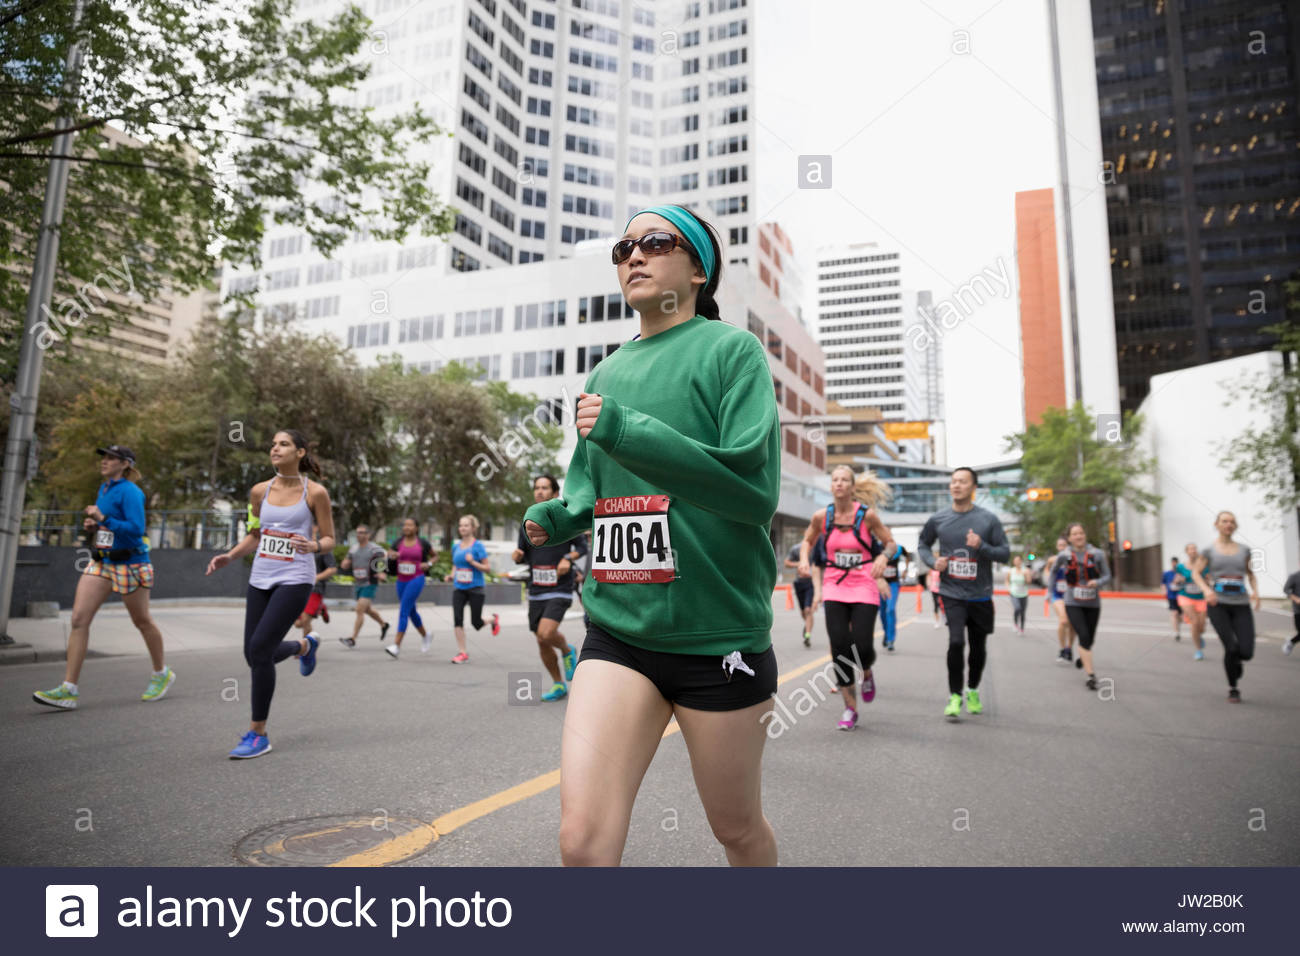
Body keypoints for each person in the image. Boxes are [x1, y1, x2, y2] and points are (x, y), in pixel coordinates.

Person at [523, 204, 780, 866]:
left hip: (717, 638)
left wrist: (626, 430)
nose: (634, 255)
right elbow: (588, 487)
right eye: (623, 246)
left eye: (656, 242)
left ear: (697, 269)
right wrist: (556, 517)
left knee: (737, 830)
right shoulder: (606, 374)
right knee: (581, 842)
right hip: (618, 632)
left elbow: (751, 491)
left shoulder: (732, 351)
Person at [205, 430, 334, 758]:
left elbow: (331, 538)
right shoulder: (259, 491)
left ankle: (257, 733)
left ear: (300, 452)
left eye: (284, 444)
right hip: (261, 576)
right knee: (253, 655)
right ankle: (304, 646)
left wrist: (314, 545)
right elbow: (256, 535)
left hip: (295, 578)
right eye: (273, 444)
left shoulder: (315, 493)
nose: (275, 448)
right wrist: (230, 556)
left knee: (260, 649)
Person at [34, 445, 174, 710]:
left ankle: (161, 672)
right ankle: (68, 689)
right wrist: (95, 525)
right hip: (102, 561)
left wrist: (104, 518)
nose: (105, 462)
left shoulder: (131, 492)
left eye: (111, 458)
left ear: (125, 464)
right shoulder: (105, 488)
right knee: (78, 619)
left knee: (142, 621)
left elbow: (135, 530)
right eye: (104, 458)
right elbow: (108, 525)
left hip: (130, 563)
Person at [800, 466, 894, 730]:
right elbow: (807, 541)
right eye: (835, 480)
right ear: (830, 486)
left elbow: (890, 543)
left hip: (864, 584)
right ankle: (850, 709)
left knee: (862, 646)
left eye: (844, 480)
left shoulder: (867, 517)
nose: (839, 484)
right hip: (834, 586)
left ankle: (867, 671)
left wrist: (884, 557)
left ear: (852, 487)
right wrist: (805, 561)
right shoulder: (822, 517)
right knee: (840, 647)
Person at [917, 466, 1010, 720]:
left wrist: (982, 546)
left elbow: (1005, 553)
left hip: (980, 594)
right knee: (956, 641)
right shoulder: (939, 519)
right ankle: (955, 695)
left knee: (978, 647)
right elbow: (923, 543)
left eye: (962, 481)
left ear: (973, 488)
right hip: (951, 592)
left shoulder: (987, 520)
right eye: (953, 481)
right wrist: (932, 561)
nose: (956, 485)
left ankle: (972, 690)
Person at [512, 476, 586, 700]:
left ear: (555, 493)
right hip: (536, 589)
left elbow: (581, 547)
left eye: (545, 488)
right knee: (541, 639)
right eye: (536, 488)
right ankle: (558, 684)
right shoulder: (528, 522)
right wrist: (517, 555)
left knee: (547, 633)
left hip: (560, 587)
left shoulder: (563, 517)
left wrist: (567, 558)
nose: (539, 492)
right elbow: (522, 553)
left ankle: (566, 650)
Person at [1192, 511, 1261, 702]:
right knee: (1230, 647)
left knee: (1246, 651)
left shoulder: (1244, 549)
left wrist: (1255, 592)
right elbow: (1196, 573)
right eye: (1224, 521)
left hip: (1241, 604)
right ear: (1217, 524)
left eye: (1232, 521)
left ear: (1235, 526)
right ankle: (1233, 687)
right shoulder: (1208, 551)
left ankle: (1238, 661)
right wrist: (1207, 590)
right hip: (1218, 604)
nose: (1228, 524)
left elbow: (1250, 574)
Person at [1055, 523, 1111, 691]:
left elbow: (1108, 575)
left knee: (1089, 639)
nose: (1079, 536)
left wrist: (1098, 582)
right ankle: (1091, 675)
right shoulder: (1064, 555)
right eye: (1075, 534)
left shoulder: (1097, 554)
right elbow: (1053, 572)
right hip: (1073, 602)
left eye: (1081, 533)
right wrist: (1050, 591)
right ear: (1070, 538)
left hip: (1093, 602)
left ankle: (1082, 657)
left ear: (1084, 535)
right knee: (1084, 635)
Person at [446, 514, 499, 663]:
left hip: (475, 587)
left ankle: (493, 619)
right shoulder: (456, 546)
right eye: (460, 525)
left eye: (466, 525)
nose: (462, 528)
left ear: (473, 528)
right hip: (459, 588)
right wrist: (451, 575)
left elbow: (487, 568)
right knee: (457, 619)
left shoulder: (478, 546)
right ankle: (462, 652)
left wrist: (473, 562)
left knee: (476, 623)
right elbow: (456, 564)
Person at [383, 518, 434, 659]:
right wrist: (392, 555)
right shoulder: (398, 542)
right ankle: (426, 635)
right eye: (405, 525)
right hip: (401, 580)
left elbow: (435, 557)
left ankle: (396, 646)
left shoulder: (422, 543)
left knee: (404, 610)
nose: (406, 527)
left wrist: (428, 563)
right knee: (411, 611)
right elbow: (389, 553)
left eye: (410, 525)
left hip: (416, 578)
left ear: (416, 528)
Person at [339, 524, 390, 647]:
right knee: (367, 610)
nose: (359, 535)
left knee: (359, 609)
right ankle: (384, 625)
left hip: (370, 582)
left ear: (368, 534)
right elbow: (347, 560)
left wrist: (382, 571)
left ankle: (352, 639)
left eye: (362, 532)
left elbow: (384, 555)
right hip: (358, 583)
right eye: (357, 532)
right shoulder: (354, 548)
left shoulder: (374, 548)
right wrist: (345, 563)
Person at [293, 524, 336, 647]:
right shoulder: (297, 543)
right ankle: (321, 609)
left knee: (305, 619)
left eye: (310, 524)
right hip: (298, 587)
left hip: (315, 589)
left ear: (317, 527)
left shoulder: (322, 546)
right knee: (298, 624)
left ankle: (304, 648)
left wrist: (316, 577)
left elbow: (332, 569)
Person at [1044, 535, 1076, 664]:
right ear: (1057, 547)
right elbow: (1047, 572)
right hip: (1057, 595)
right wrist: (1048, 585)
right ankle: (1062, 649)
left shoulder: (1073, 558)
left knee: (1072, 624)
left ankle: (1069, 648)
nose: (1062, 547)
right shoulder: (1053, 560)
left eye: (1064, 545)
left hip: (1072, 595)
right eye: (1060, 545)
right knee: (1063, 620)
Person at [1175, 544, 1208, 662]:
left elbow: (1209, 580)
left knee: (1202, 625)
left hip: (1201, 598)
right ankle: (1198, 650)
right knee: (1194, 622)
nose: (1193, 551)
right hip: (1185, 596)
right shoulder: (1180, 567)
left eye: (1195, 548)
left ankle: (1199, 636)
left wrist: (1205, 581)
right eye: (1191, 549)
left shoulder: (1204, 565)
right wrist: (1179, 580)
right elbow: (1176, 580)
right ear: (1187, 552)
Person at [783, 542, 815, 647]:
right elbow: (786, 563)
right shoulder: (796, 548)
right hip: (799, 583)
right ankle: (807, 625)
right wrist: (799, 563)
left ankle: (807, 635)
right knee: (803, 612)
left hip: (811, 582)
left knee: (808, 610)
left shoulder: (816, 548)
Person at [880, 542, 908, 651]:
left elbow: (907, 556)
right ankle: (886, 633)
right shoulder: (878, 547)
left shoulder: (899, 548)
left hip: (893, 584)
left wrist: (905, 570)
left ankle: (891, 639)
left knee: (890, 609)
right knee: (882, 612)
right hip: (880, 583)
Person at [1007, 554, 1029, 634]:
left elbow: (1029, 582)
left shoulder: (1025, 570)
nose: (1017, 562)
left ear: (1021, 561)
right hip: (1014, 593)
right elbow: (1007, 581)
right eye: (1015, 561)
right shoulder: (1011, 571)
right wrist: (1008, 588)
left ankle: (1022, 628)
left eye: (1018, 560)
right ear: (1014, 562)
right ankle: (1015, 624)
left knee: (1023, 612)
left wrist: (1025, 576)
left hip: (1024, 594)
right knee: (1017, 608)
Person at [1161, 556, 1182, 640]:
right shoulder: (1166, 573)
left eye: (1176, 562)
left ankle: (1178, 626)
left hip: (1181, 596)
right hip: (1171, 596)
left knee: (1180, 616)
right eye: (1173, 562)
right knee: (1174, 613)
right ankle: (1176, 632)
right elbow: (1163, 583)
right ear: (1171, 563)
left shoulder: (1181, 573)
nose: (1174, 564)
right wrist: (1164, 591)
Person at [1283, 567, 1300, 656]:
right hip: (1298, 610)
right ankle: (1291, 642)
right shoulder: (1294, 576)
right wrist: (1296, 599)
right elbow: (1286, 590)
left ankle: (1291, 642)